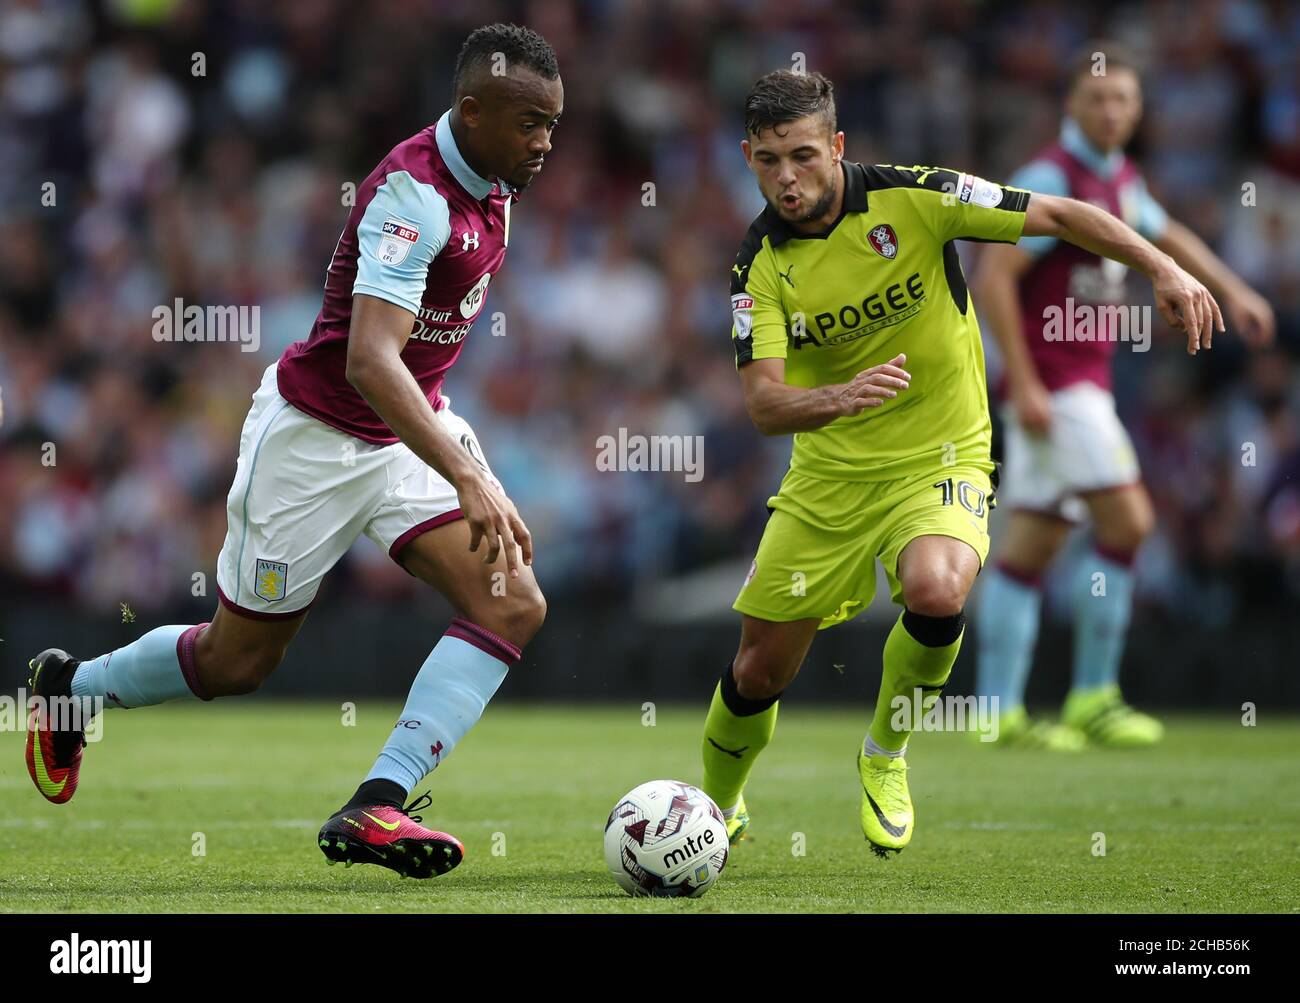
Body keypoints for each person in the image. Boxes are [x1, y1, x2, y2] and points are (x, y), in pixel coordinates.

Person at [25, 23, 563, 880]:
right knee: (237, 660)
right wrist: (467, 472)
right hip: (313, 440)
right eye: (531, 124)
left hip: (404, 431)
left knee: (511, 600)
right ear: (472, 111)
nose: (545, 144)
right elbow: (368, 360)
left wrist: (450, 455)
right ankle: (68, 692)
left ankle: (377, 800)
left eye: (552, 125)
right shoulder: (413, 199)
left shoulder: (495, 178)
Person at [697, 69, 1221, 857]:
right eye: (768, 161)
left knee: (938, 587)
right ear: (748, 158)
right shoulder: (758, 263)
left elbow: (1057, 212)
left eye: (803, 155)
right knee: (759, 669)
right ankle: (714, 802)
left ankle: (885, 753)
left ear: (837, 146)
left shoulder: (919, 196)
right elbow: (765, 404)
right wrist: (839, 396)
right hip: (829, 478)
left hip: (942, 455)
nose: (787, 178)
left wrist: (1163, 267)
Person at [972, 43, 1275, 750]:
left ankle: (994, 712)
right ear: (1070, 104)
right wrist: (1023, 379)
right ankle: (1094, 696)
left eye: (1124, 101)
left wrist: (1232, 290)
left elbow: (1170, 235)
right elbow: (992, 278)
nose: (1111, 111)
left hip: (1077, 385)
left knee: (1032, 541)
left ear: (1139, 111)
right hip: (1059, 388)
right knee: (1131, 523)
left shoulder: (1121, 180)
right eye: (1098, 98)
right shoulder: (1051, 176)